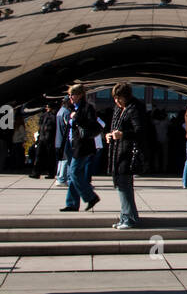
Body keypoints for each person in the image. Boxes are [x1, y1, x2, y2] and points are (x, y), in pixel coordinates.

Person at [105, 83, 143, 230]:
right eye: (115, 98)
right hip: (118, 151)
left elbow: (140, 130)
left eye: (118, 98)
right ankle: (126, 216)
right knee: (121, 184)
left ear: (125, 97)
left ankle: (129, 218)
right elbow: (116, 128)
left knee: (124, 185)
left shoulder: (134, 109)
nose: (116, 101)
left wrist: (123, 134)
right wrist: (110, 135)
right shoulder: (119, 109)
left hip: (127, 152)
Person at [58, 83, 102, 212]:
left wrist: (75, 117)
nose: (71, 97)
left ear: (81, 95)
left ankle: (90, 196)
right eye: (70, 94)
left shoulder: (87, 108)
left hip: (83, 145)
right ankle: (72, 203)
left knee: (74, 172)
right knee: (74, 175)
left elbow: (90, 124)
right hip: (72, 144)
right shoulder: (72, 108)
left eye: (73, 94)